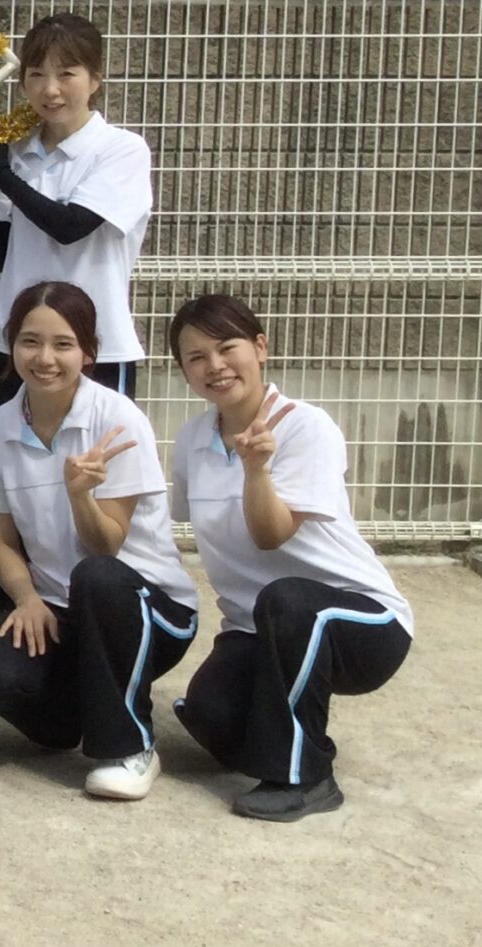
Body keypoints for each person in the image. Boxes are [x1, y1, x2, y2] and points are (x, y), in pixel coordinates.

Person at [164, 294, 413, 823]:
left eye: (227, 347)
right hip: (259, 629)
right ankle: (287, 733)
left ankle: (306, 776)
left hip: (359, 622)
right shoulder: (192, 441)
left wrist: (257, 470)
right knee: (211, 718)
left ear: (260, 348)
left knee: (289, 600)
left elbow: (271, 535)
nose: (215, 366)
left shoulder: (305, 427)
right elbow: (174, 526)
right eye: (195, 357)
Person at [0, 282, 198, 801]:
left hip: (145, 608)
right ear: (10, 344)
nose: (45, 358)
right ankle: (80, 715)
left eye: (63, 344)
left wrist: (80, 496)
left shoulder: (115, 419)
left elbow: (106, 547)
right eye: (29, 341)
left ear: (89, 353)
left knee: (95, 576)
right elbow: (1, 541)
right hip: (59, 610)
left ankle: (130, 747)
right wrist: (26, 599)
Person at [0, 13, 152, 410]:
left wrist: (3, 174)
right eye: (36, 74)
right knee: (9, 458)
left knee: (99, 462)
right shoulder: (14, 151)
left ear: (95, 79)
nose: (50, 90)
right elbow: (1, 251)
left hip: (94, 343)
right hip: (15, 337)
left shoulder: (121, 149)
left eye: (67, 74)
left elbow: (70, 227)